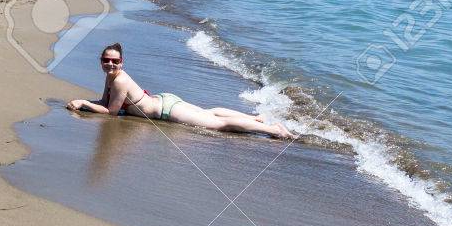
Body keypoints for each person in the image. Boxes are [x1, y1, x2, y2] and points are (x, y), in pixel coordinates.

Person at [67, 43, 292, 138]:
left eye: (114, 61)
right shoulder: (111, 77)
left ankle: (274, 130)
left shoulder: (119, 80)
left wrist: (84, 104)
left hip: (166, 110)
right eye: (107, 60)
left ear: (122, 62)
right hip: (165, 101)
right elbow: (107, 103)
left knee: (218, 125)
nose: (110, 64)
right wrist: (85, 102)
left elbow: (112, 112)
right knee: (210, 112)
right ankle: (256, 118)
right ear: (101, 61)